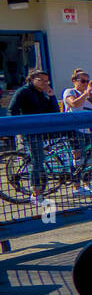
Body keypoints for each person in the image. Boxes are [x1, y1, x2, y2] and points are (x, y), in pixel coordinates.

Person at [7, 70, 59, 202]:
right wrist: (19, 127)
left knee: (40, 159)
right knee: (37, 160)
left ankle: (40, 189)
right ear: (32, 79)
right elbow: (12, 110)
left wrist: (51, 96)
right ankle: (36, 192)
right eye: (40, 79)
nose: (44, 83)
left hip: (41, 130)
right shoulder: (23, 91)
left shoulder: (42, 94)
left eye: (46, 80)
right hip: (29, 131)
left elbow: (54, 111)